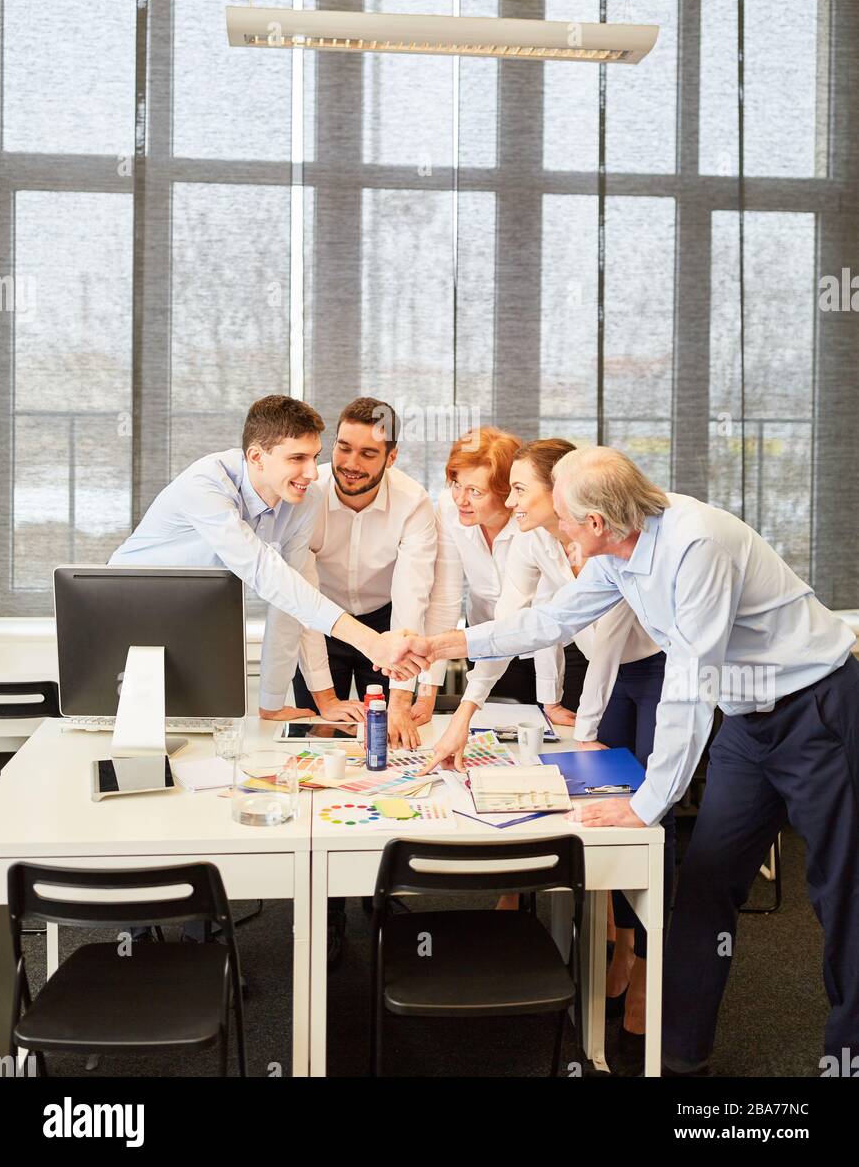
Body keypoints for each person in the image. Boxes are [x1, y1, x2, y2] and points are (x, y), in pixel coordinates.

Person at [409, 446, 858, 1075]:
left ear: (594, 522)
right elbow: (549, 621)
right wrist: (446, 642)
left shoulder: (695, 545)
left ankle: (848, 1058)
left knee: (842, 891)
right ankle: (679, 1055)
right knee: (705, 885)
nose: (551, 527)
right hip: (749, 722)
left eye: (560, 516)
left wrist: (647, 803)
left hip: (816, 709)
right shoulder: (619, 549)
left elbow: (688, 685)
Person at [489, 439, 670, 1063]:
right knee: (603, 811)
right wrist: (465, 708)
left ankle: (646, 968)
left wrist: (583, 729)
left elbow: (609, 646)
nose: (506, 501)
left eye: (519, 490)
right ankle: (620, 939)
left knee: (646, 817)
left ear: (560, 495)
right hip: (605, 674)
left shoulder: (612, 540)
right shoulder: (533, 540)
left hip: (654, 671)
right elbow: (517, 625)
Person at [110, 395, 423, 702]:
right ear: (257, 457)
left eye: (314, 457)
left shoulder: (305, 500)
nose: (314, 473)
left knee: (204, 731)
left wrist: (272, 703)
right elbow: (265, 573)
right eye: (297, 459)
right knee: (117, 727)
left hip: (195, 620)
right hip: (126, 609)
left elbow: (292, 596)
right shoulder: (206, 484)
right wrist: (369, 641)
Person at [261, 396, 435, 750]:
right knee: (316, 741)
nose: (351, 464)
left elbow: (411, 599)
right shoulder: (307, 495)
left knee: (389, 740)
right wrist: (325, 698)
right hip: (319, 622)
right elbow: (301, 599)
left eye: (368, 454)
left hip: (388, 627)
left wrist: (402, 699)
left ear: (391, 457)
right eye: (343, 448)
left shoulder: (413, 503)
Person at [415, 427, 586, 728]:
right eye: (456, 484)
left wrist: (551, 700)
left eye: (475, 492)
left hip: (558, 645)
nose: (461, 500)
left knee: (559, 737)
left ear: (506, 489)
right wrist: (427, 693)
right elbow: (445, 598)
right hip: (488, 642)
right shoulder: (449, 508)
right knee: (498, 736)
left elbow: (543, 617)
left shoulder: (533, 522)